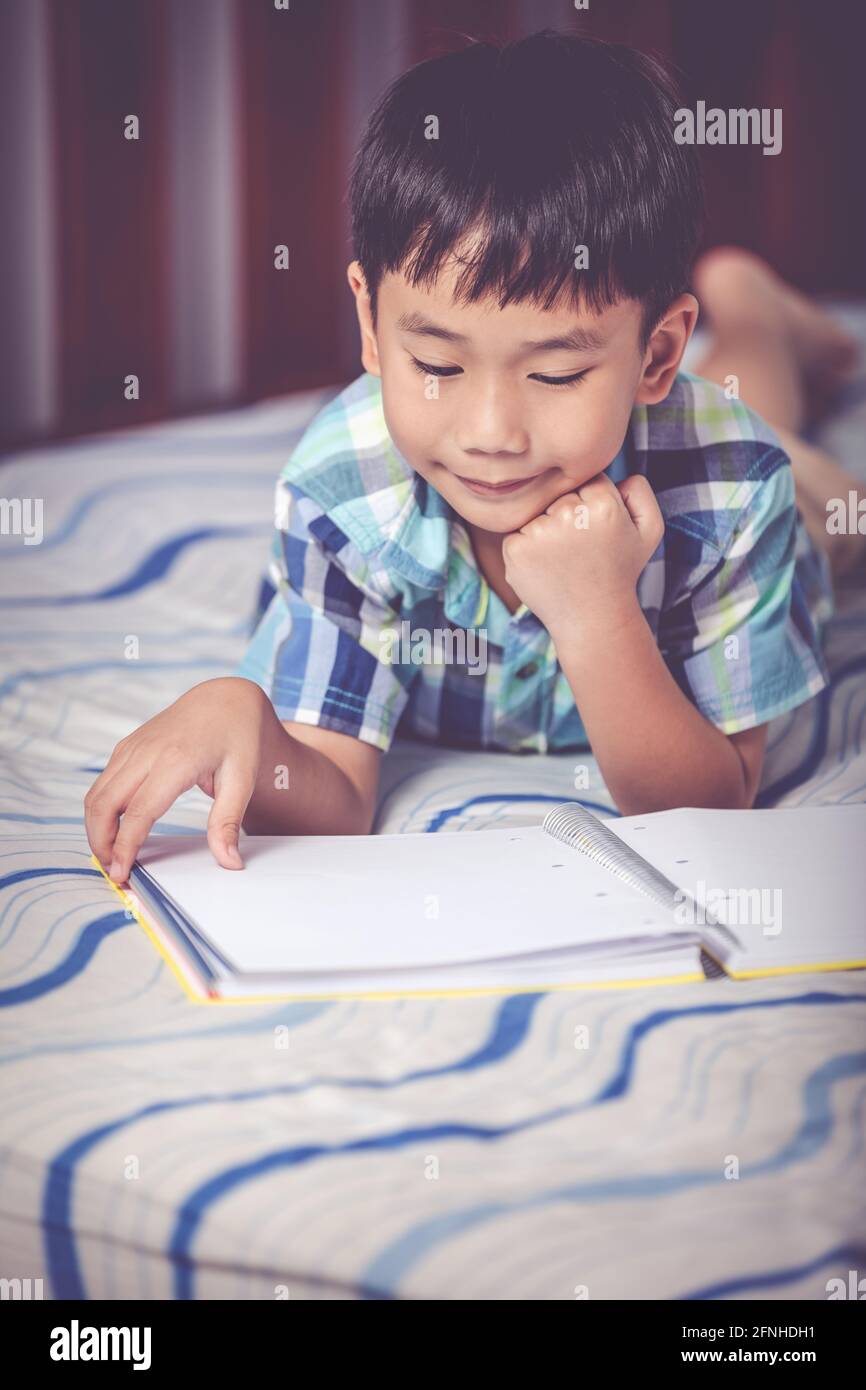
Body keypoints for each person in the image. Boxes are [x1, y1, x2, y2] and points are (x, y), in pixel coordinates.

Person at [84, 31, 865, 885]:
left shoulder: (733, 489)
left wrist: (598, 612)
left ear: (654, 353)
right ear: (371, 325)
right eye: (438, 367)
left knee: (799, 465)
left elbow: (714, 807)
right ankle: (749, 310)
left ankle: (754, 314)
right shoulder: (344, 498)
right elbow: (333, 795)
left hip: (749, 481)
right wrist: (246, 721)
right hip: (650, 423)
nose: (491, 431)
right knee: (725, 404)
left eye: (557, 372)